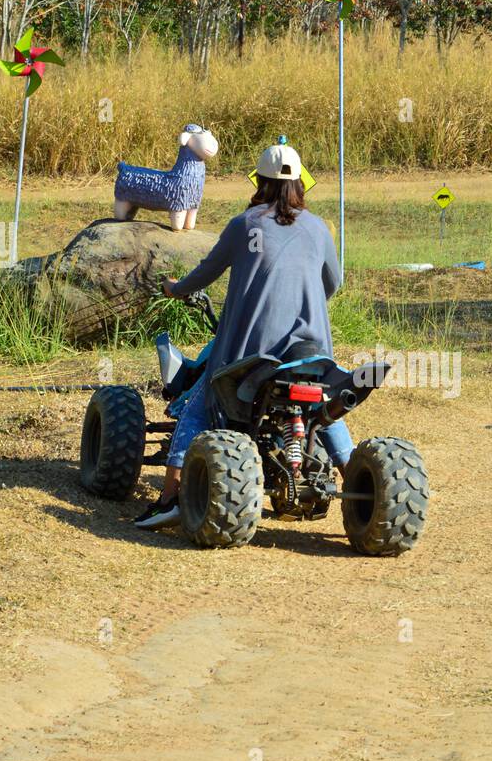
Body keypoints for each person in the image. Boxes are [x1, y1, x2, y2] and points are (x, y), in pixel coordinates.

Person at [134, 141, 355, 530]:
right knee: (324, 407)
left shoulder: (245, 225)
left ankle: (169, 498)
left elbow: (204, 274)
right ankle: (356, 481)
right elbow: (332, 284)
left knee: (198, 404)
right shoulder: (319, 229)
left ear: (260, 182)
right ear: (300, 184)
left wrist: (173, 289)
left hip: (250, 352)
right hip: (311, 350)